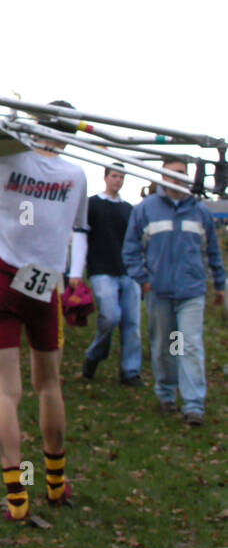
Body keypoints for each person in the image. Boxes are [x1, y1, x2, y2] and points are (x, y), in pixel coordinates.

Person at [0, 114, 89, 521]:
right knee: (49, 385)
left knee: (7, 391)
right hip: (44, 287)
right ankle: (56, 485)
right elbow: (79, 229)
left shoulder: (3, 159)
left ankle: (17, 498)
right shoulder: (76, 176)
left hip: (3, 283)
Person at [123, 157, 225, 426]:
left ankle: (193, 405)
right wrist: (142, 279)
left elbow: (212, 250)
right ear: (162, 176)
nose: (177, 177)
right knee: (167, 346)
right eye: (171, 173)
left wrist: (220, 285)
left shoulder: (200, 211)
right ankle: (167, 394)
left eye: (182, 173)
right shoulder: (145, 210)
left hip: (191, 292)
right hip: (159, 292)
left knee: (189, 345)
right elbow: (131, 249)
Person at [81, 164, 142, 386]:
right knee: (110, 316)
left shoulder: (128, 209)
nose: (118, 180)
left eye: (122, 177)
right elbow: (81, 236)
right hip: (101, 269)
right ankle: (95, 354)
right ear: (106, 178)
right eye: (115, 176)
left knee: (132, 324)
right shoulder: (92, 204)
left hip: (127, 271)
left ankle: (130, 371)